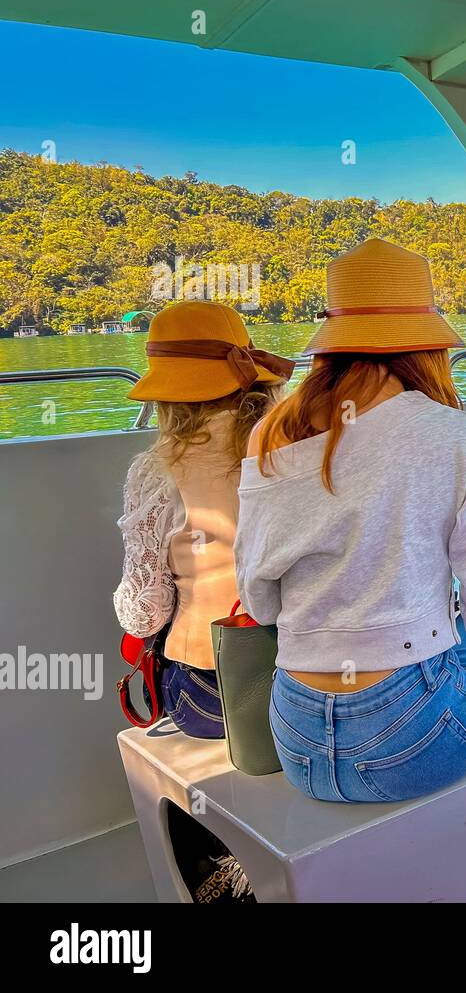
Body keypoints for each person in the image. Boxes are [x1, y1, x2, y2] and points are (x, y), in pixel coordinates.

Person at [233, 237, 466, 876]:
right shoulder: (458, 437)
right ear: (425, 343)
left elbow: (260, 601)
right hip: (410, 737)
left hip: (294, 738)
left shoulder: (269, 436)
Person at [113, 300, 290, 739]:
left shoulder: (154, 472)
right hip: (309, 677)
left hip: (212, 694)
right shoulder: (300, 449)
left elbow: (144, 616)